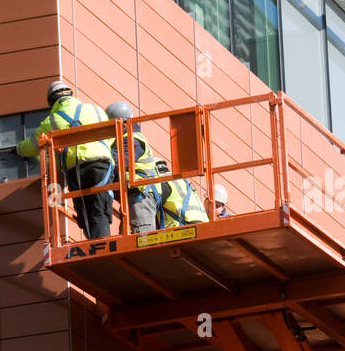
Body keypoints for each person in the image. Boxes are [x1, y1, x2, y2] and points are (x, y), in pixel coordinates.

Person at [16, 80, 113, 239]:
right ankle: (101, 245)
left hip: (77, 170)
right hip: (101, 165)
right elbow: (110, 135)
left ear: (52, 102)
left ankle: (95, 246)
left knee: (85, 213)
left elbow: (33, 144)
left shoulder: (52, 120)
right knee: (99, 209)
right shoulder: (95, 109)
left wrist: (18, 150)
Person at [106, 100, 161, 234]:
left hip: (140, 196)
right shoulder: (130, 138)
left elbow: (117, 164)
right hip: (135, 196)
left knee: (143, 241)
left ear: (123, 123)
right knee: (127, 241)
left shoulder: (130, 140)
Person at [152, 159, 209, 228]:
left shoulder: (162, 183)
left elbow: (149, 209)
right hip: (203, 225)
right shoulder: (181, 180)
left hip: (186, 227)